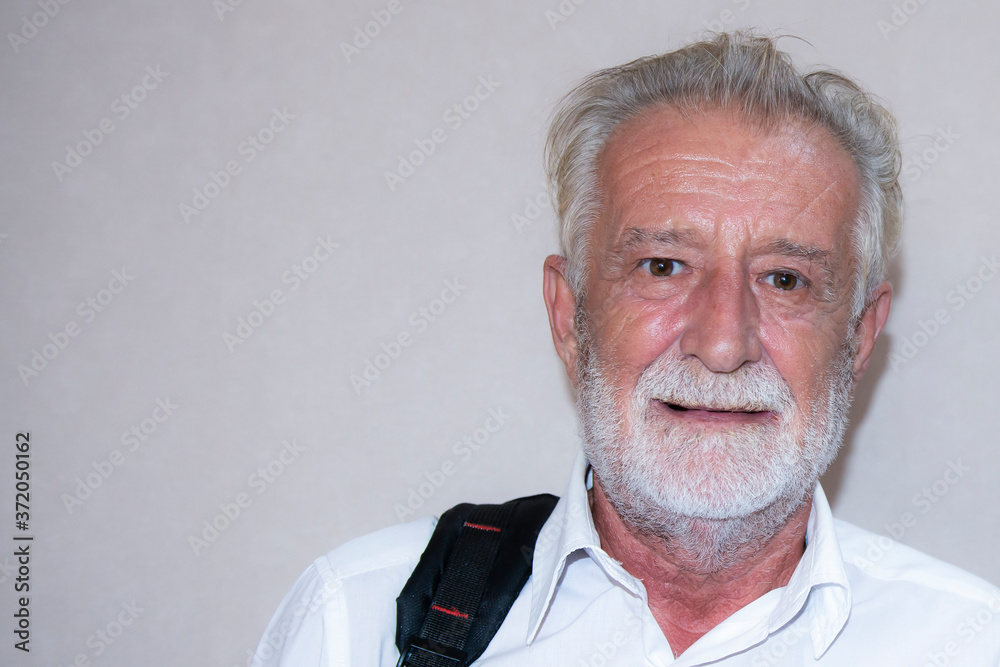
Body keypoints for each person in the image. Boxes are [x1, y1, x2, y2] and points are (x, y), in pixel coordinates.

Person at [252, 31, 1000, 665]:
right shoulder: (357, 625)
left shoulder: (968, 643)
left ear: (860, 336)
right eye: (663, 266)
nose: (722, 342)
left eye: (784, 278)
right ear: (570, 313)